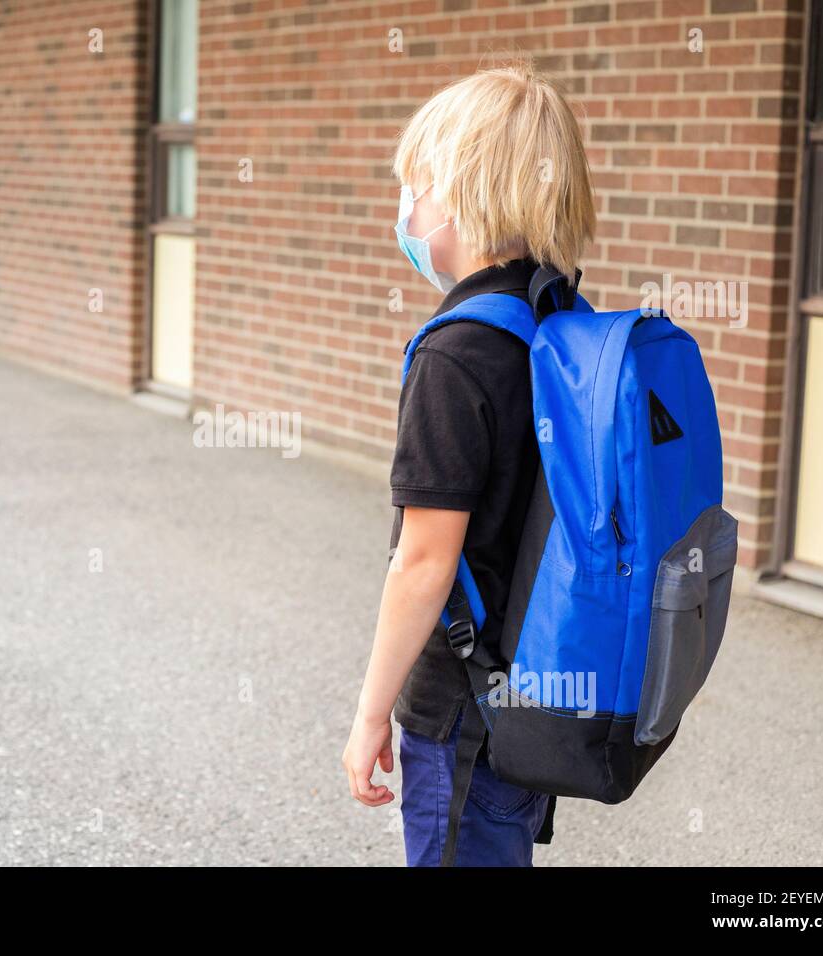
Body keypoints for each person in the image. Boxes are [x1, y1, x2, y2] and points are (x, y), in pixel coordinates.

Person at [341, 63, 597, 867]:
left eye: (414, 192)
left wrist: (370, 712)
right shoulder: (558, 319)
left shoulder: (456, 355)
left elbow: (424, 561)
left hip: (463, 709)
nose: (406, 215)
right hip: (536, 686)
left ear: (461, 196)